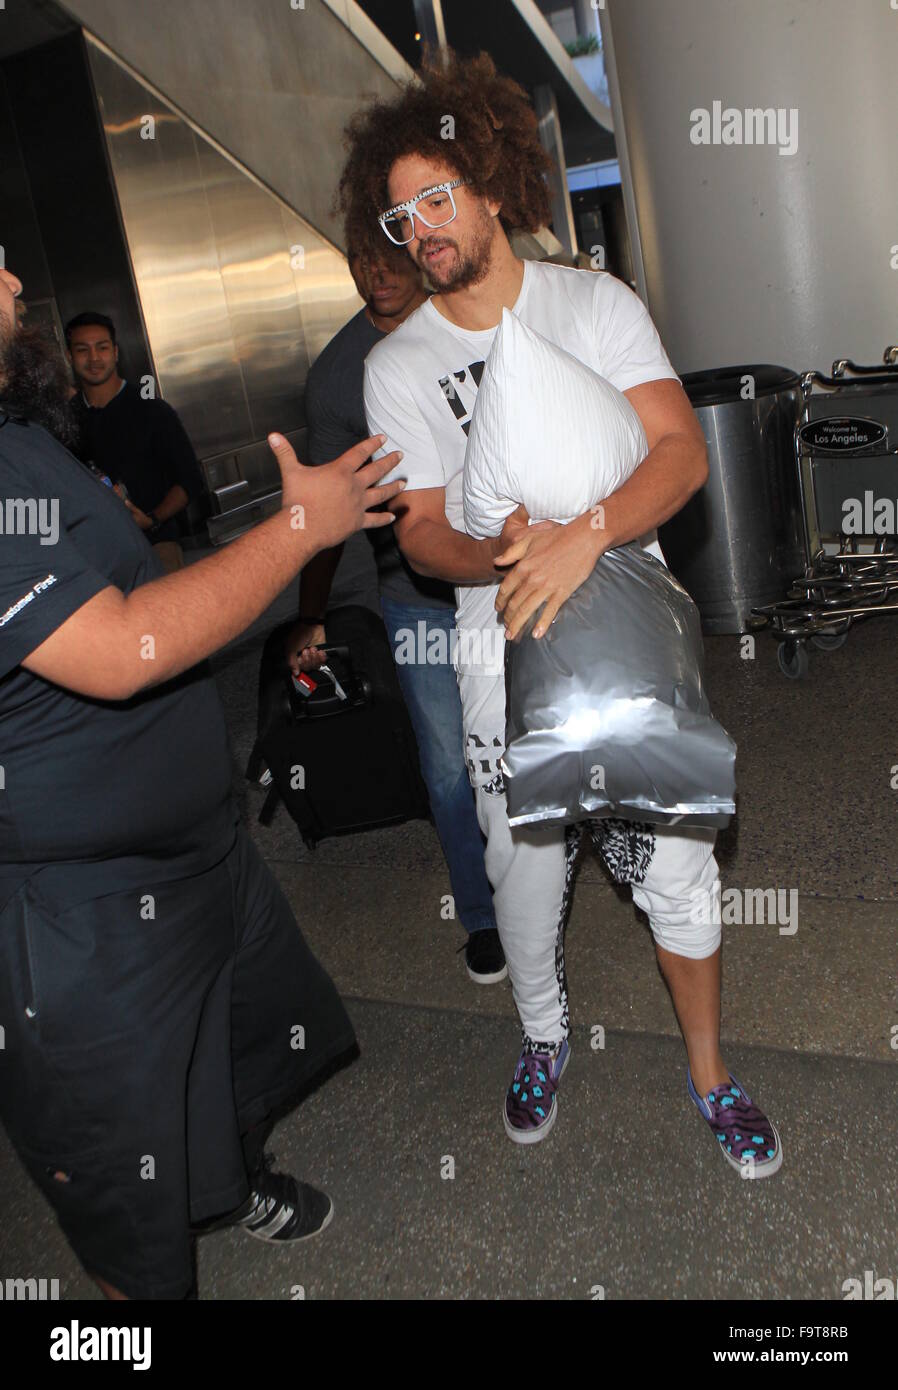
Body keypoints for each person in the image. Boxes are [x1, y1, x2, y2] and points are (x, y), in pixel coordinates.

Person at [344, 50, 782, 1172]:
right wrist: (499, 549)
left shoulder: (594, 304)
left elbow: (680, 456)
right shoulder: (399, 367)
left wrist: (587, 528)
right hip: (495, 645)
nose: (420, 227)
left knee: (679, 865)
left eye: (436, 197)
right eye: (399, 216)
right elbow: (422, 534)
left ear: (490, 186)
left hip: (630, 618)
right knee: (521, 871)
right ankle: (542, 1035)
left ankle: (711, 1071)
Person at [0, 262, 405, 1299]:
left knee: (227, 1049)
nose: (13, 278)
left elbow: (139, 585)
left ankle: (225, 1185)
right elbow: (122, 647)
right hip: (82, 907)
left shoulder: (26, 440)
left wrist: (280, 580)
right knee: (124, 1194)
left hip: (200, 853)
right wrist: (298, 533)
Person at [286, 236, 505, 984]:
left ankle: (541, 891)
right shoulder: (338, 377)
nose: (373, 273)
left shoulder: (474, 326)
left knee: (530, 746)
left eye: (385, 257)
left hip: (510, 576)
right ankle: (482, 918)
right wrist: (309, 617)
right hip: (418, 602)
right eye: (358, 261)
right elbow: (319, 515)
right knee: (450, 767)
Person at [66, 311, 203, 573]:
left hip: (156, 545)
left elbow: (189, 480)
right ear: (70, 357)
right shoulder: (65, 419)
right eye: (83, 350)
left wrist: (151, 520)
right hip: (97, 557)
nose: (94, 358)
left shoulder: (151, 409)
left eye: (102, 348)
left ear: (115, 352)